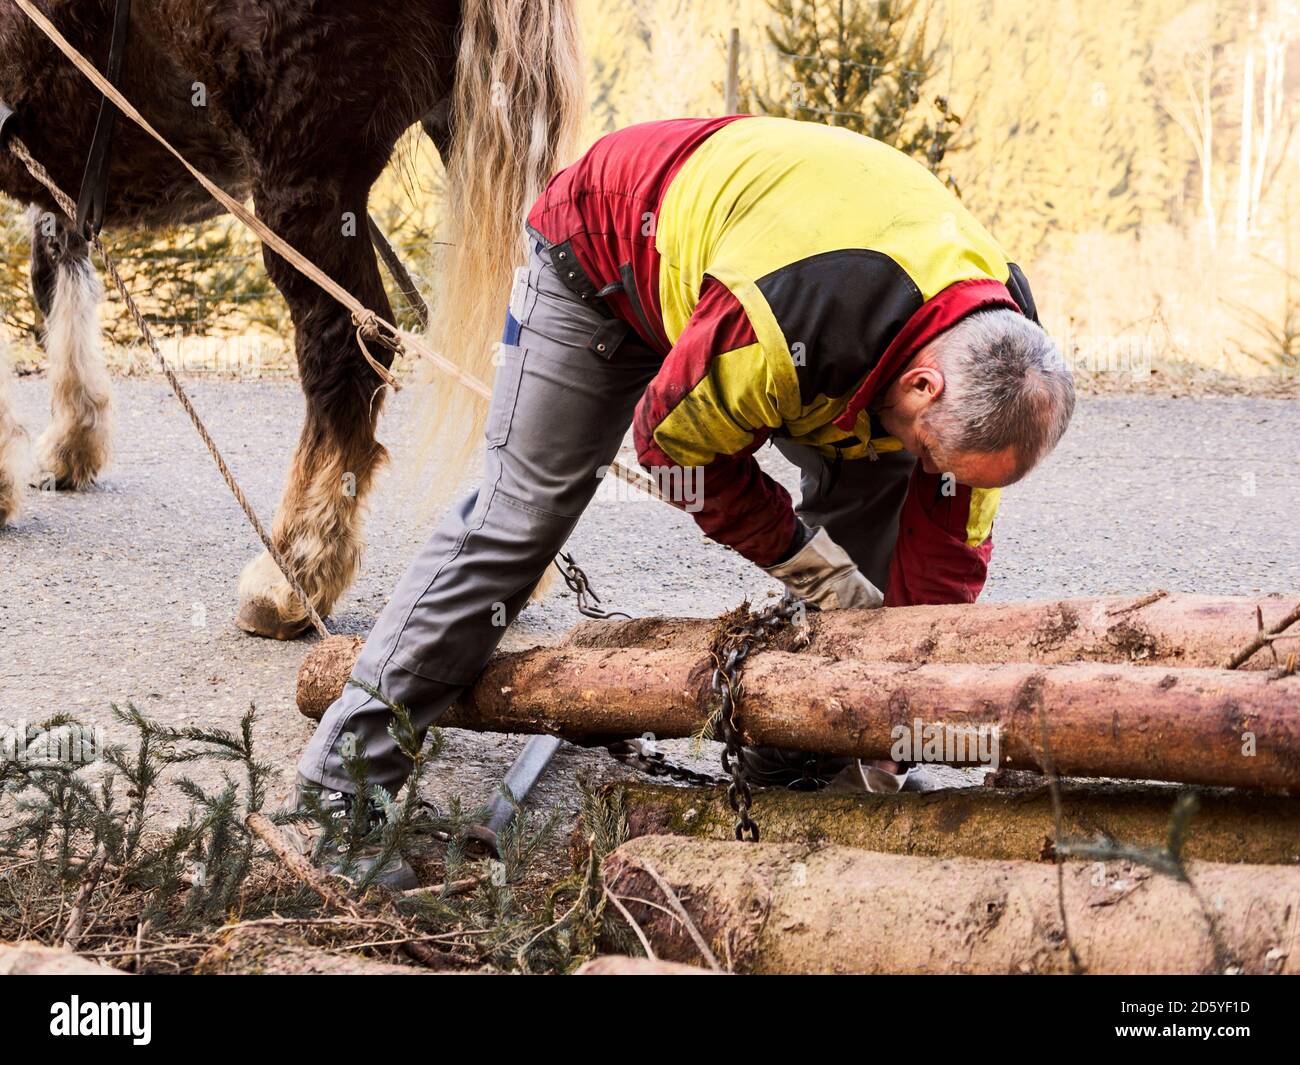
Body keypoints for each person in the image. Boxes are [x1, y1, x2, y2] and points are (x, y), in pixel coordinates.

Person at [293, 115, 1075, 885]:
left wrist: (892, 733)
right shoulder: (779, 324)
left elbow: (942, 568)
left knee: (885, 519)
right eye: (933, 447)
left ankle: (800, 749)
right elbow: (673, 451)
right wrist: (811, 567)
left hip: (794, 305)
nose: (933, 469)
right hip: (605, 256)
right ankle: (342, 792)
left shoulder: (998, 352)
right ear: (923, 381)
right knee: (517, 521)